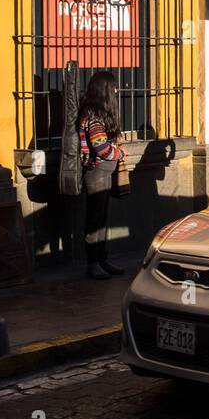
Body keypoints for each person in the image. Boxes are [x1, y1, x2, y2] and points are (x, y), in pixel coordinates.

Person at [77, 71, 126, 280]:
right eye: (113, 87)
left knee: (102, 218)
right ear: (105, 89)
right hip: (96, 172)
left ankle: (102, 260)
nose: (116, 90)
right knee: (95, 219)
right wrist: (120, 153)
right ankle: (93, 263)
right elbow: (101, 148)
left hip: (103, 172)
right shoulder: (94, 116)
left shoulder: (95, 113)